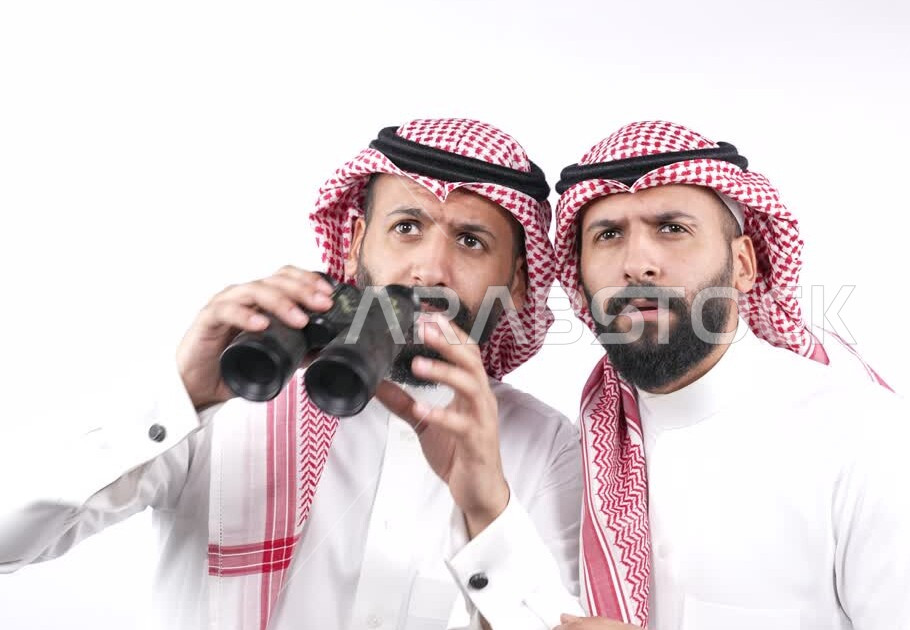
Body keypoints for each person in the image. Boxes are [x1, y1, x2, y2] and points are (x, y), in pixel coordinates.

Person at [0, 118, 586, 630]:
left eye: (470, 241)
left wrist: (489, 511)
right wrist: (178, 398)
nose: (430, 269)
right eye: (406, 227)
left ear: (513, 284)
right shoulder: (232, 396)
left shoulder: (545, 446)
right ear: (357, 242)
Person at [549, 121, 910, 630]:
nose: (637, 264)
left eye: (672, 228)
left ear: (742, 264)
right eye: (608, 235)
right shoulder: (575, 445)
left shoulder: (864, 439)